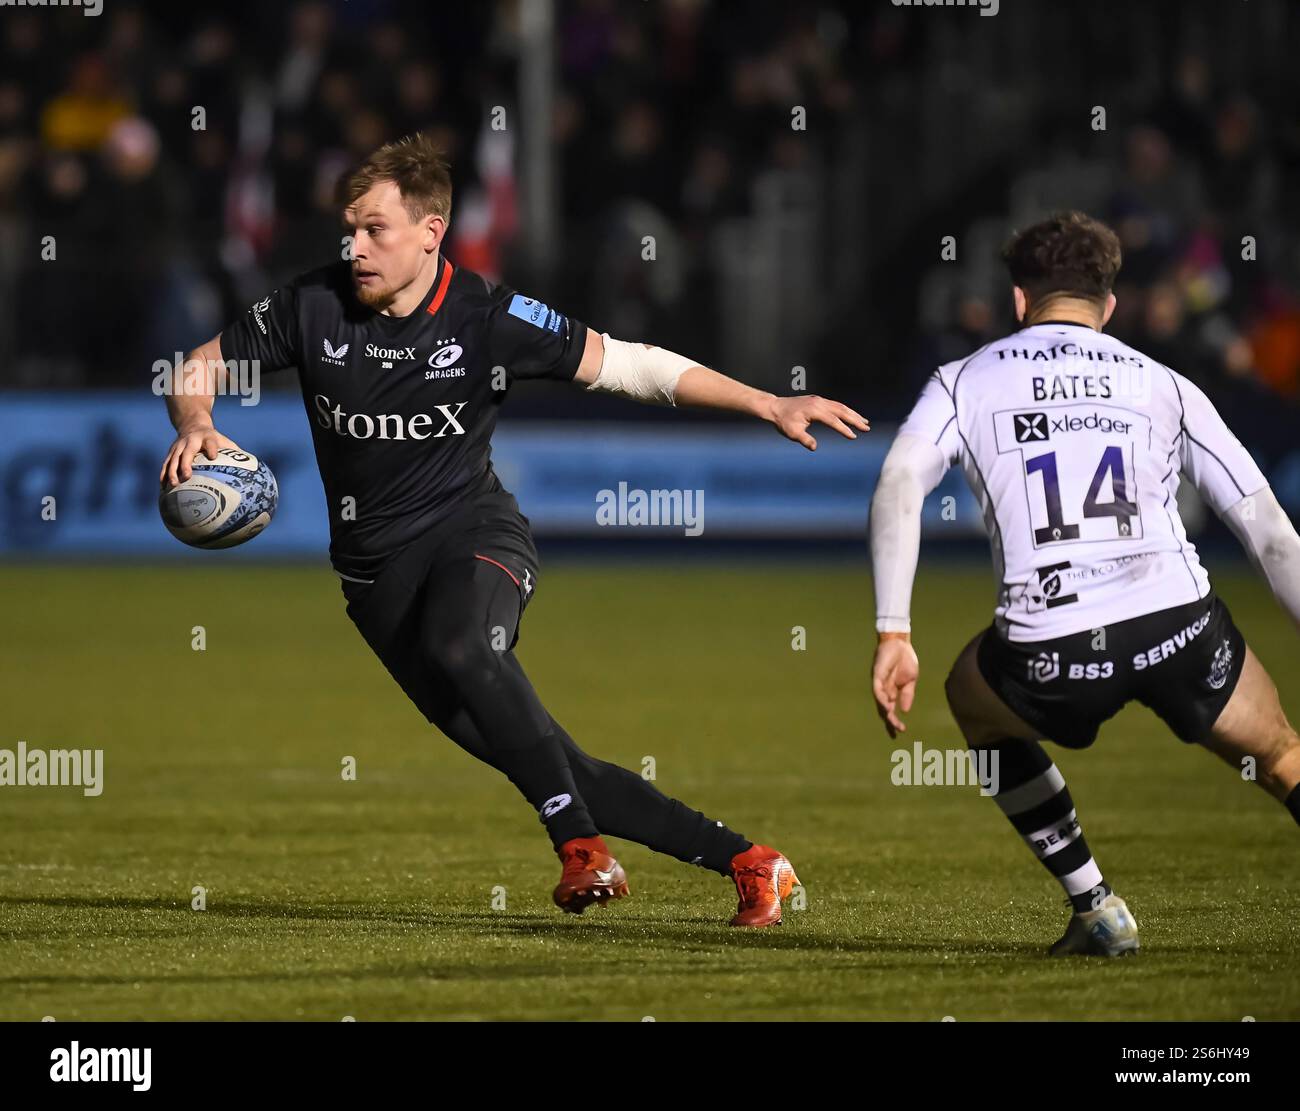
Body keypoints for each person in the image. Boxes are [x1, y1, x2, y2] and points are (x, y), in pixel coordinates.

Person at [160, 133, 870, 926]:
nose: (354, 248)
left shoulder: (487, 316)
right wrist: (195, 421)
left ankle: (579, 847)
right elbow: (199, 363)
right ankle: (751, 862)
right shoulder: (311, 305)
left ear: (431, 232)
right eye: (350, 231)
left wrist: (769, 403)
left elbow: (634, 364)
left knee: (464, 647)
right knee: (545, 757)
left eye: (374, 230)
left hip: (475, 534)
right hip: (374, 582)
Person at [869, 211, 1300, 955]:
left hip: (1052, 648)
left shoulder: (965, 380)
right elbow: (1265, 529)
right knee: (1285, 758)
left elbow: (902, 477)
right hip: (1179, 626)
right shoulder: (1165, 383)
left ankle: (1095, 906)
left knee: (971, 696)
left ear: (1016, 300)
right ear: (1108, 304)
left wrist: (893, 630)